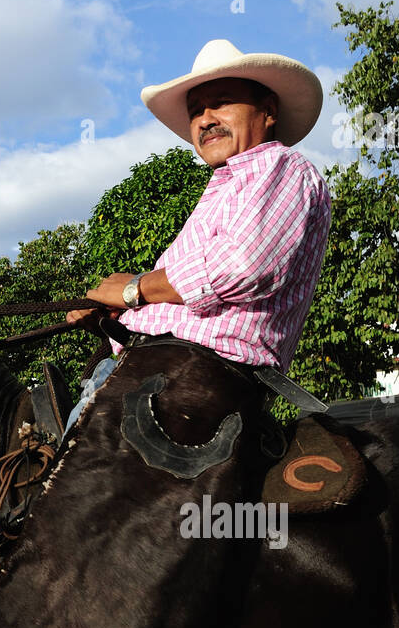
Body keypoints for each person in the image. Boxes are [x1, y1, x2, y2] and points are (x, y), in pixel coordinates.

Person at [65, 39, 331, 427]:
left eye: (221, 102)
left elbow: (242, 266)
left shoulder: (280, 165)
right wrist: (117, 315)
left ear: (268, 110)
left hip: (196, 375)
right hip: (161, 369)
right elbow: (189, 297)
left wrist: (133, 289)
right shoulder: (226, 187)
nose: (205, 119)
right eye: (195, 112)